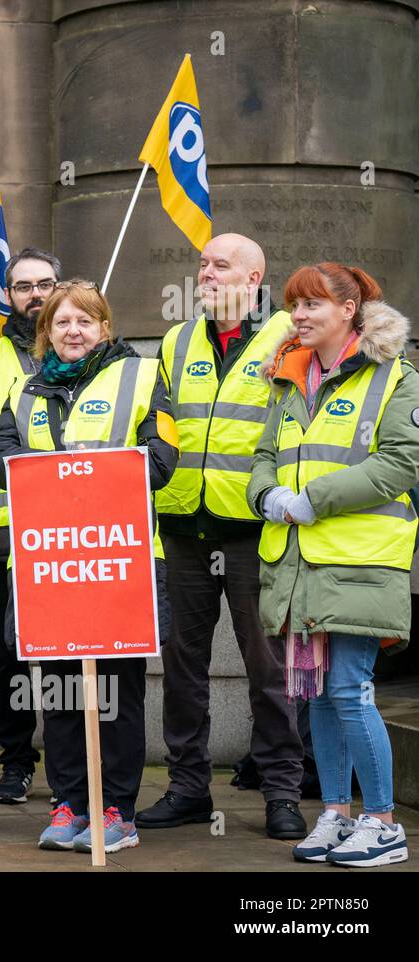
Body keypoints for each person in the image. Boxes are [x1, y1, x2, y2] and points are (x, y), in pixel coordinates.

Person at [0, 280, 177, 854]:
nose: (74, 332)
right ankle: (69, 802)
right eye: (62, 323)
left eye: (85, 322)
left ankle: (116, 810)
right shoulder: (23, 390)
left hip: (119, 562)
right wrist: (45, 474)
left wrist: (84, 474)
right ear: (46, 333)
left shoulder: (144, 378)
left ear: (105, 328)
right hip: (50, 566)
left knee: (117, 691)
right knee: (64, 691)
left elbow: (163, 458)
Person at [137, 233, 307, 840]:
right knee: (184, 667)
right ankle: (187, 788)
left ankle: (281, 793)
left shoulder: (292, 338)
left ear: (254, 276)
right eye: (202, 264)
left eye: (220, 265)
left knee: (270, 668)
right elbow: (157, 422)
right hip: (183, 526)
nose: (205, 274)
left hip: (255, 531)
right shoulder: (178, 339)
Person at [248, 263, 416, 867]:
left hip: (361, 563)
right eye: (295, 305)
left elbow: (401, 464)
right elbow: (264, 454)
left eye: (312, 304)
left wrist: (311, 500)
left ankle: (383, 823)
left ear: (349, 310)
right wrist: (264, 495)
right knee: (317, 695)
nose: (298, 316)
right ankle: (337, 816)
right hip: (299, 564)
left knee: (349, 690)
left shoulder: (395, 376)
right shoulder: (289, 377)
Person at [0, 246, 60, 804]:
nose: (35, 296)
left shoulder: (83, 347)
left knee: (69, 654)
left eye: (44, 284)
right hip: (3, 533)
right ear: (8, 295)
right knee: (10, 657)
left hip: (67, 535)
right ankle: (17, 761)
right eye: (23, 287)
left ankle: (71, 768)